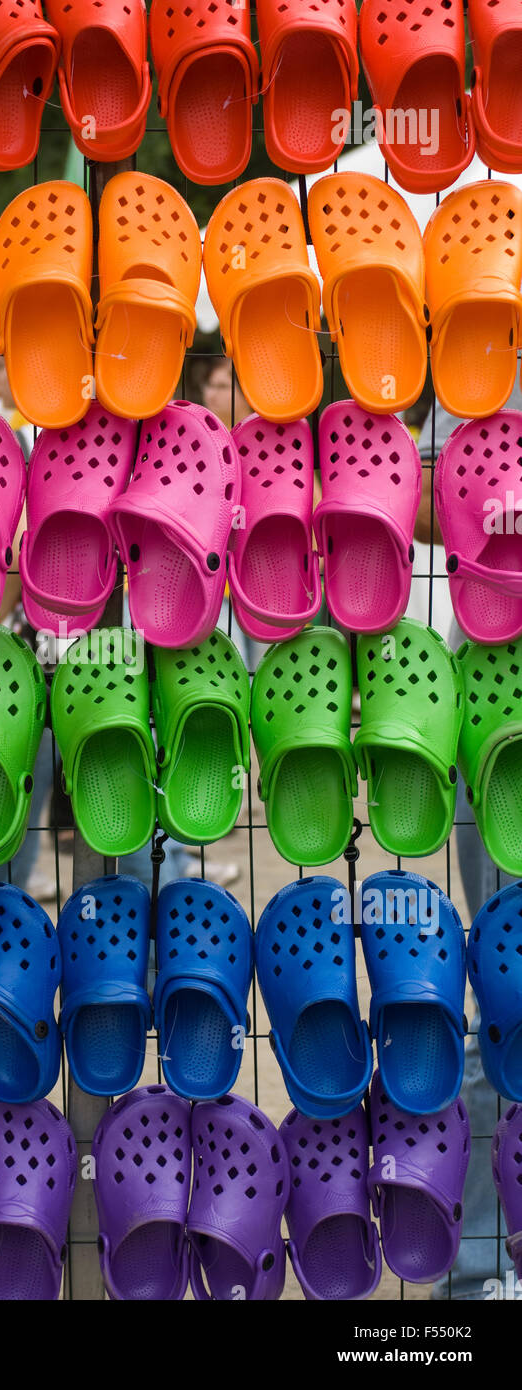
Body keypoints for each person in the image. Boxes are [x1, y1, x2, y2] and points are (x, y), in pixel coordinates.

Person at [415, 380, 516, 1300]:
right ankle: (488, 1261)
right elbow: (415, 499)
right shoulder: (481, 361)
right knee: (506, 993)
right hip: (492, 708)